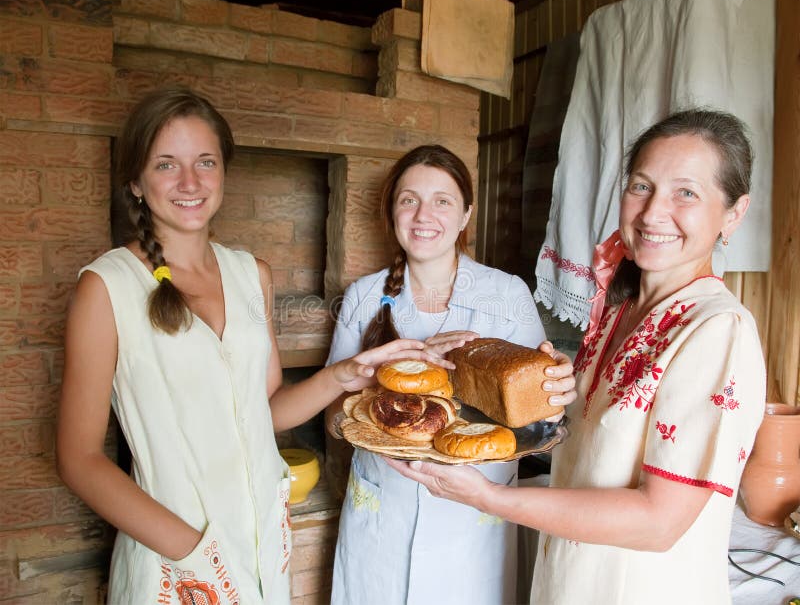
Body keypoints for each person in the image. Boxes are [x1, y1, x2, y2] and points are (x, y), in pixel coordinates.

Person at [54, 87, 449, 604]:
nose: (190, 182)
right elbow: (78, 459)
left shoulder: (250, 274)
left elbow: (267, 411)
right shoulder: (106, 288)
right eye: (166, 164)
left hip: (264, 549)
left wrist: (346, 374)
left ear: (223, 172)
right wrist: (193, 549)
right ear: (135, 180)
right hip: (175, 565)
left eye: (206, 162)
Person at [389, 110, 766, 604]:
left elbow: (659, 522)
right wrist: (547, 399)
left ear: (734, 214)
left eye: (686, 193)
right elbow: (594, 447)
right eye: (641, 186)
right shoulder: (615, 314)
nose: (653, 213)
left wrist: (490, 497)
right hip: (570, 582)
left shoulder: (718, 330)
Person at [324, 144, 576, 605]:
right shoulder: (363, 296)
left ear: (465, 215)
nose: (424, 215)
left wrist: (556, 384)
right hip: (383, 518)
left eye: (442, 201)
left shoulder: (506, 293)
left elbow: (541, 412)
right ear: (391, 212)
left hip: (473, 519)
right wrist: (405, 364)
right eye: (409, 199)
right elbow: (334, 422)